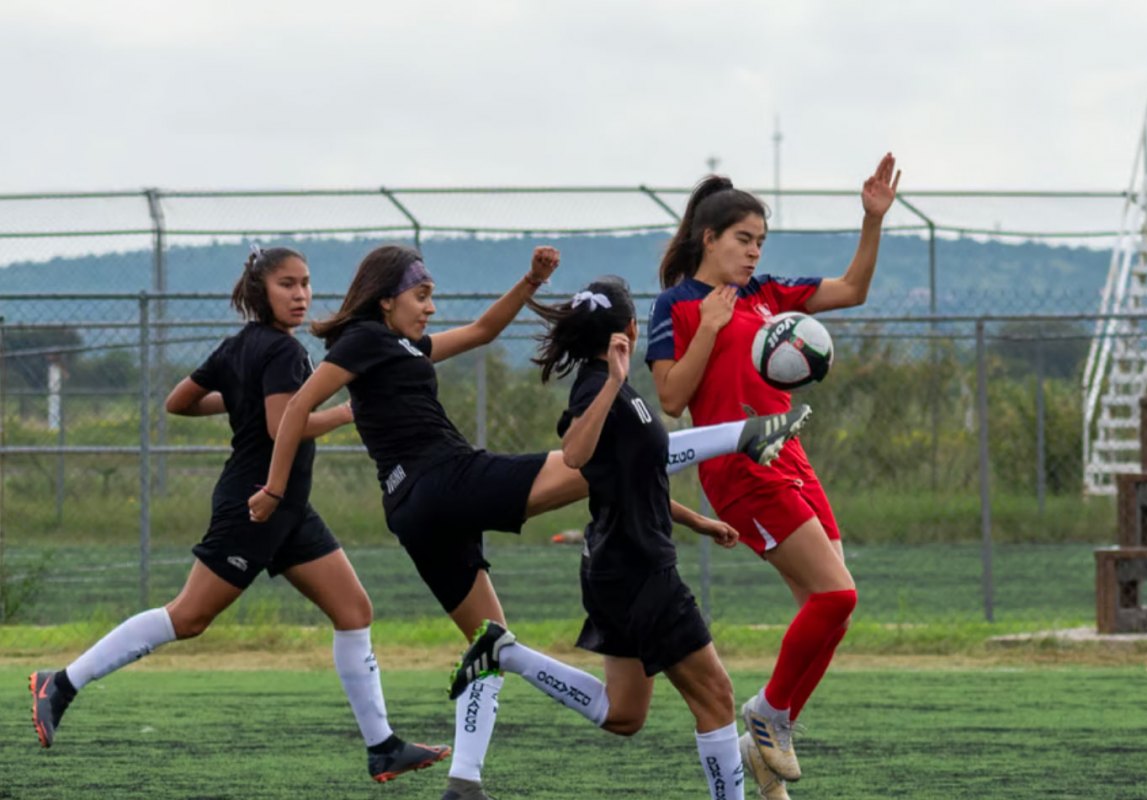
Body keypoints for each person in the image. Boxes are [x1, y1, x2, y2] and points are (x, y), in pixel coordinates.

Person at [247, 243, 809, 800]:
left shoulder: (401, 345)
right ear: (386, 299)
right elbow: (295, 409)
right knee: (593, 460)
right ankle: (743, 435)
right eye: (421, 295)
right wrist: (274, 488)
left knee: (489, 637)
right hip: (447, 479)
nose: (431, 307)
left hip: (413, 512)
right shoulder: (365, 339)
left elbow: (484, 330)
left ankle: (464, 781)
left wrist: (531, 281)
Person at [29, 244, 449, 784]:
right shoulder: (284, 352)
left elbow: (180, 401)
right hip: (255, 503)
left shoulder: (238, 346)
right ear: (260, 292)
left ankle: (383, 747)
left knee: (353, 610)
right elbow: (283, 427)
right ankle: (60, 683)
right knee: (188, 617)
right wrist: (348, 411)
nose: (300, 295)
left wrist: (242, 398)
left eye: (305, 283)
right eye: (286, 285)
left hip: (289, 509)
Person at [645, 154, 901, 800]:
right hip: (740, 468)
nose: (754, 252)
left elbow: (852, 290)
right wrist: (709, 328)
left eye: (760, 240)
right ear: (709, 238)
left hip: (791, 457)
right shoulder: (677, 305)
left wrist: (872, 220)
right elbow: (671, 399)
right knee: (836, 597)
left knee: (832, 613)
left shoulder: (766, 294)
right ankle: (767, 715)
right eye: (743, 239)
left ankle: (759, 753)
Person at [448, 276, 750, 799]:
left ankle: (506, 653)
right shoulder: (598, 386)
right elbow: (574, 454)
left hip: (617, 566)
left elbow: (632, 481)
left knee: (624, 714)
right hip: (639, 570)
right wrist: (612, 382)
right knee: (717, 697)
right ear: (629, 329)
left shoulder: (619, 389)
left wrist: (696, 521)